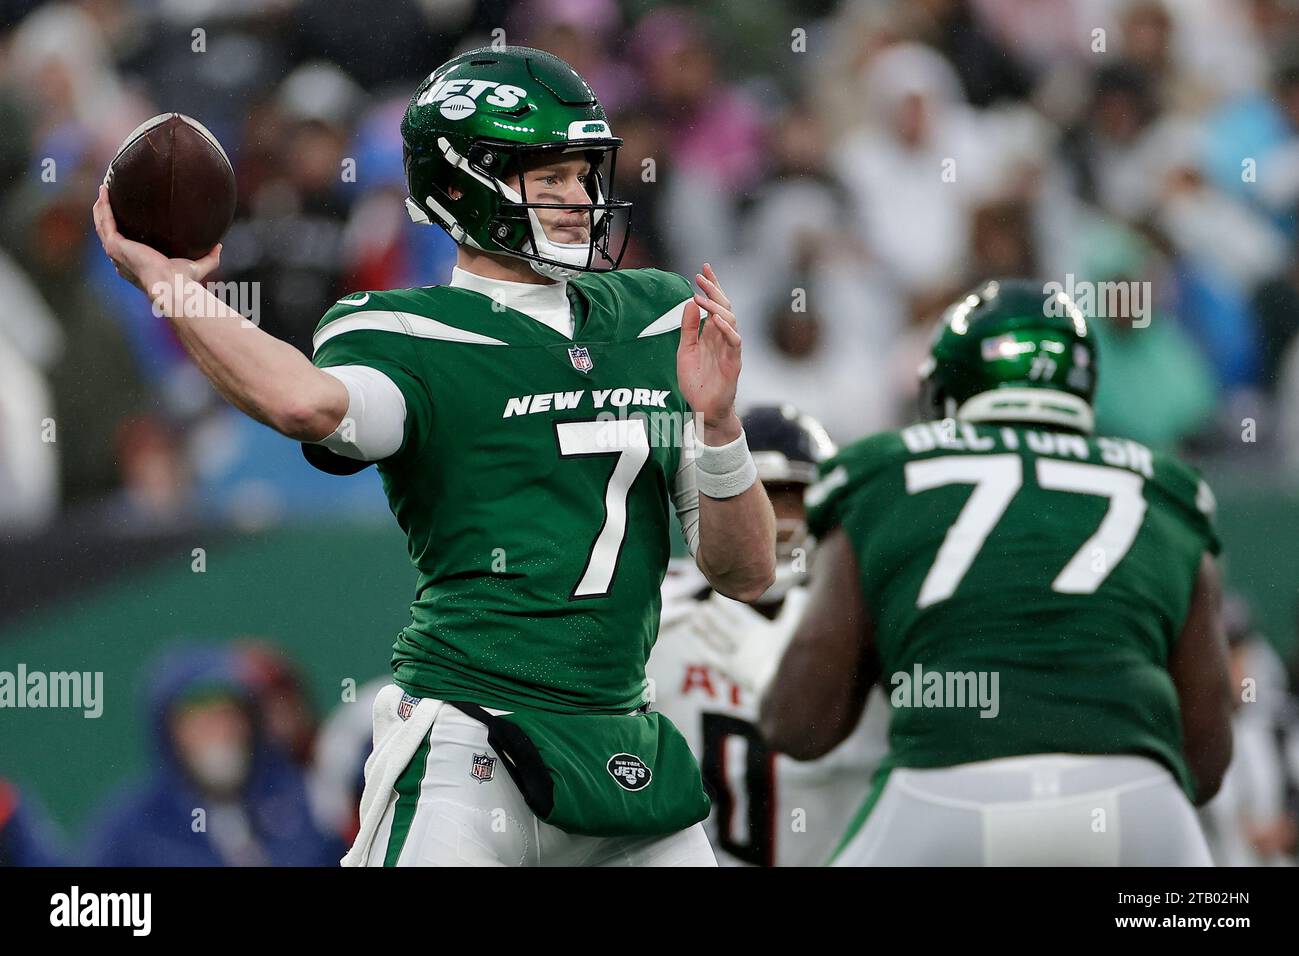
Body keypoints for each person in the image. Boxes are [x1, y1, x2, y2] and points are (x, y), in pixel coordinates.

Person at [92, 46, 775, 867]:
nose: (577, 200)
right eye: (546, 176)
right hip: (470, 741)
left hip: (620, 744)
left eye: (583, 175)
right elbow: (305, 403)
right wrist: (171, 286)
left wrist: (721, 424)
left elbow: (746, 569)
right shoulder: (410, 331)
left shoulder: (658, 314)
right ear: (456, 187)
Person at [761, 279, 1233, 866]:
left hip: (948, 794)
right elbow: (1206, 758)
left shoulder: (879, 473)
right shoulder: (1169, 491)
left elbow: (800, 723)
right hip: (1138, 806)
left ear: (947, 386)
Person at [647, 405, 888, 866]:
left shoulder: (872, 619)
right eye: (753, 494)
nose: (770, 518)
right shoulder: (658, 618)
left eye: (788, 496)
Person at [84, 645, 341, 867]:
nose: (217, 734)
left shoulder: (306, 794)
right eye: (198, 723)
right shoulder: (132, 830)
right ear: (170, 737)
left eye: (226, 716)